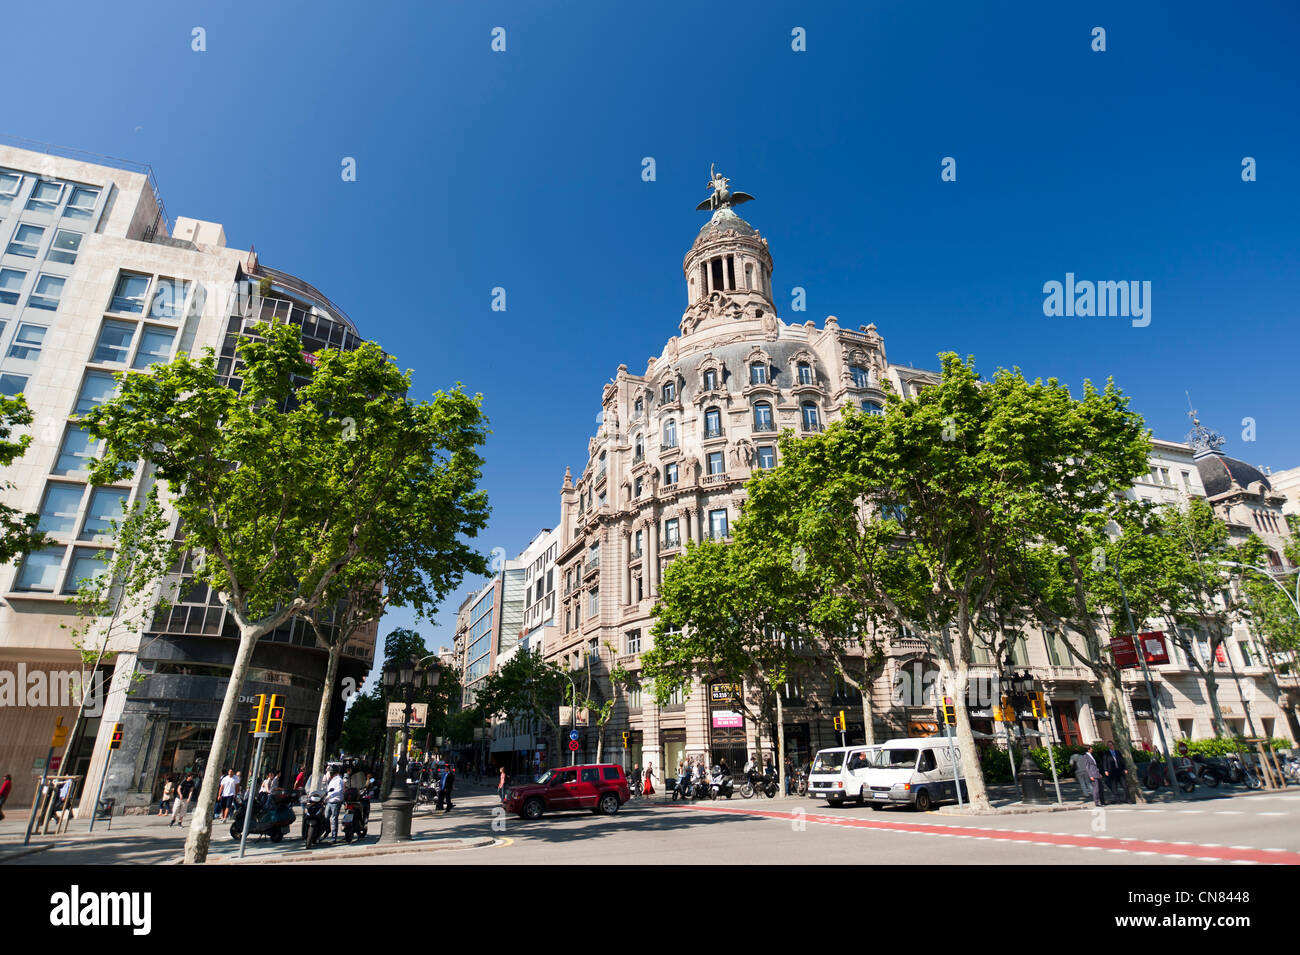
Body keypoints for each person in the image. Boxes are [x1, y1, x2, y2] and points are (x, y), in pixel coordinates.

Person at [325, 769, 345, 839]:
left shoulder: (339, 780)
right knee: (326, 817)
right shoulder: (332, 780)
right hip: (329, 801)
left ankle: (334, 836)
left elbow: (338, 790)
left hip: (335, 801)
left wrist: (331, 796)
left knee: (334, 819)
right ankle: (327, 831)